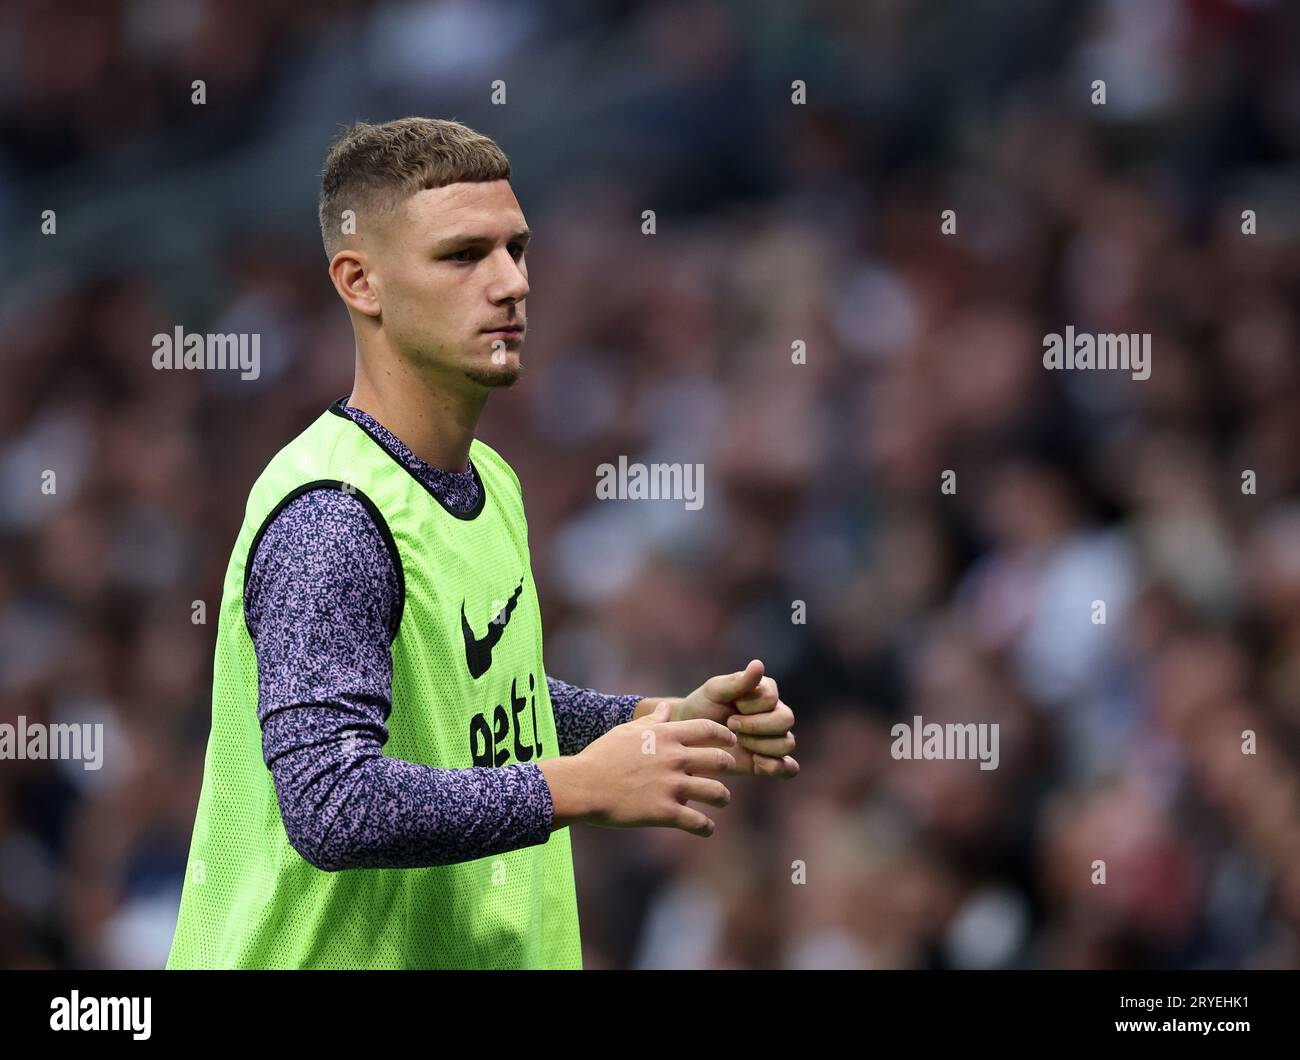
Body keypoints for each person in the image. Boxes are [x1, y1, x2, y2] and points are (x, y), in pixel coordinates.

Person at [166, 117, 798, 970]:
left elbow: (473, 703)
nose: (511, 283)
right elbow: (330, 802)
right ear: (361, 283)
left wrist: (649, 723)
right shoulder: (333, 516)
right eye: (463, 256)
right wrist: (577, 785)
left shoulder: (489, 480)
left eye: (517, 249)